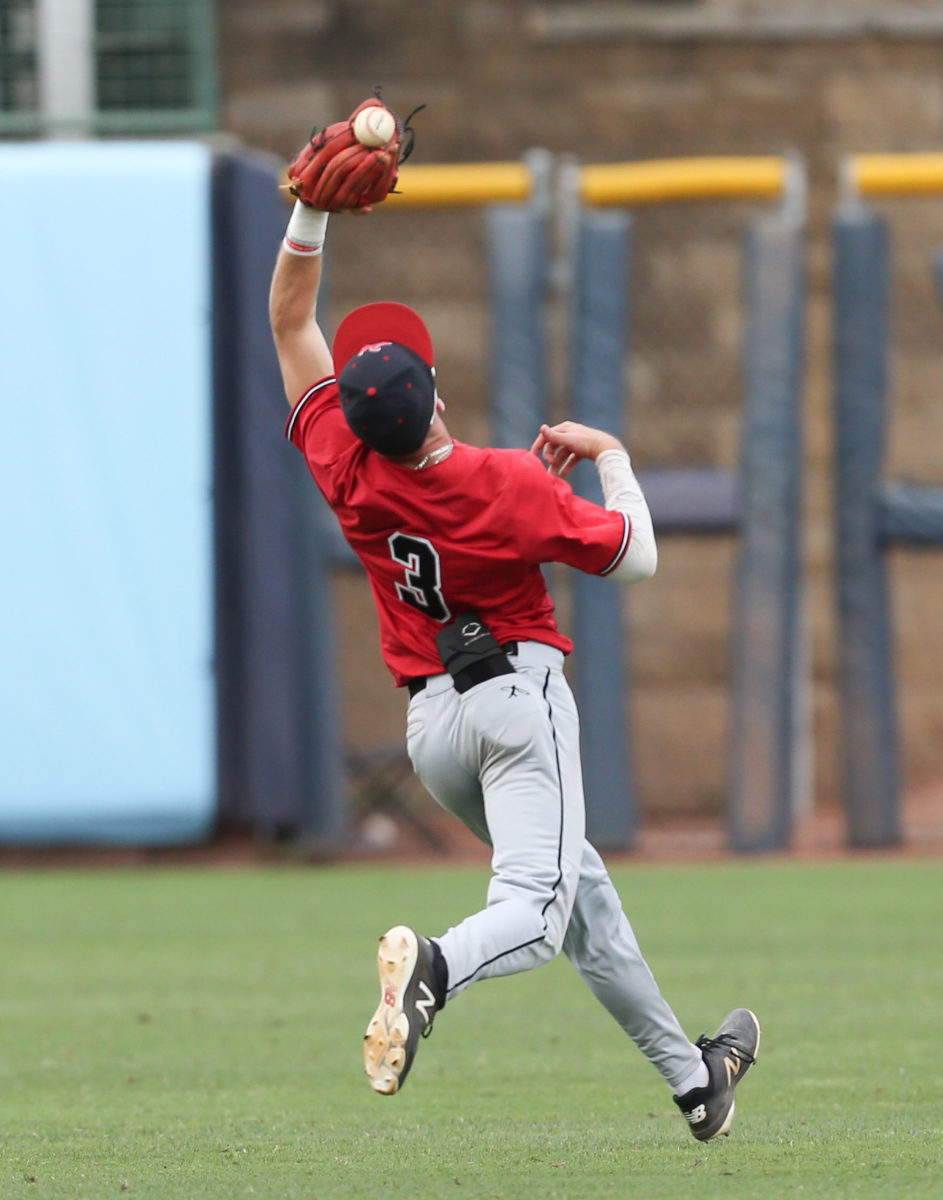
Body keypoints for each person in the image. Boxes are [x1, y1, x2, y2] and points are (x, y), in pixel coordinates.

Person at [268, 196, 760, 1141]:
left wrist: (307, 211)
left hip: (432, 730)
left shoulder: (344, 465)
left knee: (584, 900)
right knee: (534, 912)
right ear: (437, 398)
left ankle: (694, 1082)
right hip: (515, 702)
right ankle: (435, 972)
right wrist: (609, 454)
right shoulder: (506, 481)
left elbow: (291, 318)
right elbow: (636, 555)